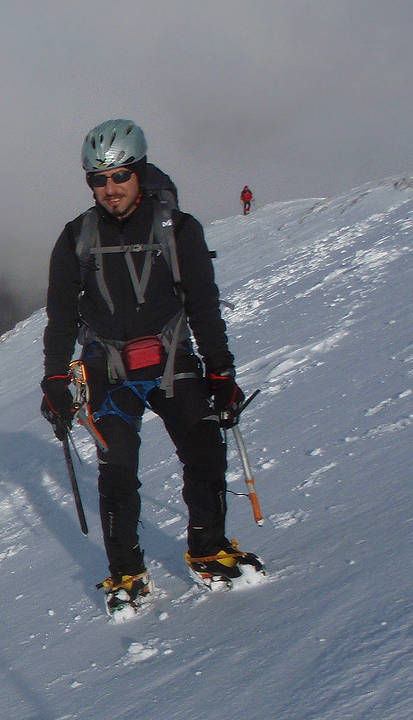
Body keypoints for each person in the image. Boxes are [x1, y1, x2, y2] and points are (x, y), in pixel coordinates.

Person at [39, 118, 262, 616]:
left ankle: (208, 548)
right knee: (117, 471)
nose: (110, 189)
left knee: (203, 448)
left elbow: (203, 305)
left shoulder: (179, 230)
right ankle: (126, 572)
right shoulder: (76, 237)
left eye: (119, 176)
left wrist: (221, 374)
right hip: (106, 370)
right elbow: (60, 317)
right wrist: (55, 379)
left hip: (170, 361)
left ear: (139, 171)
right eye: (98, 179)